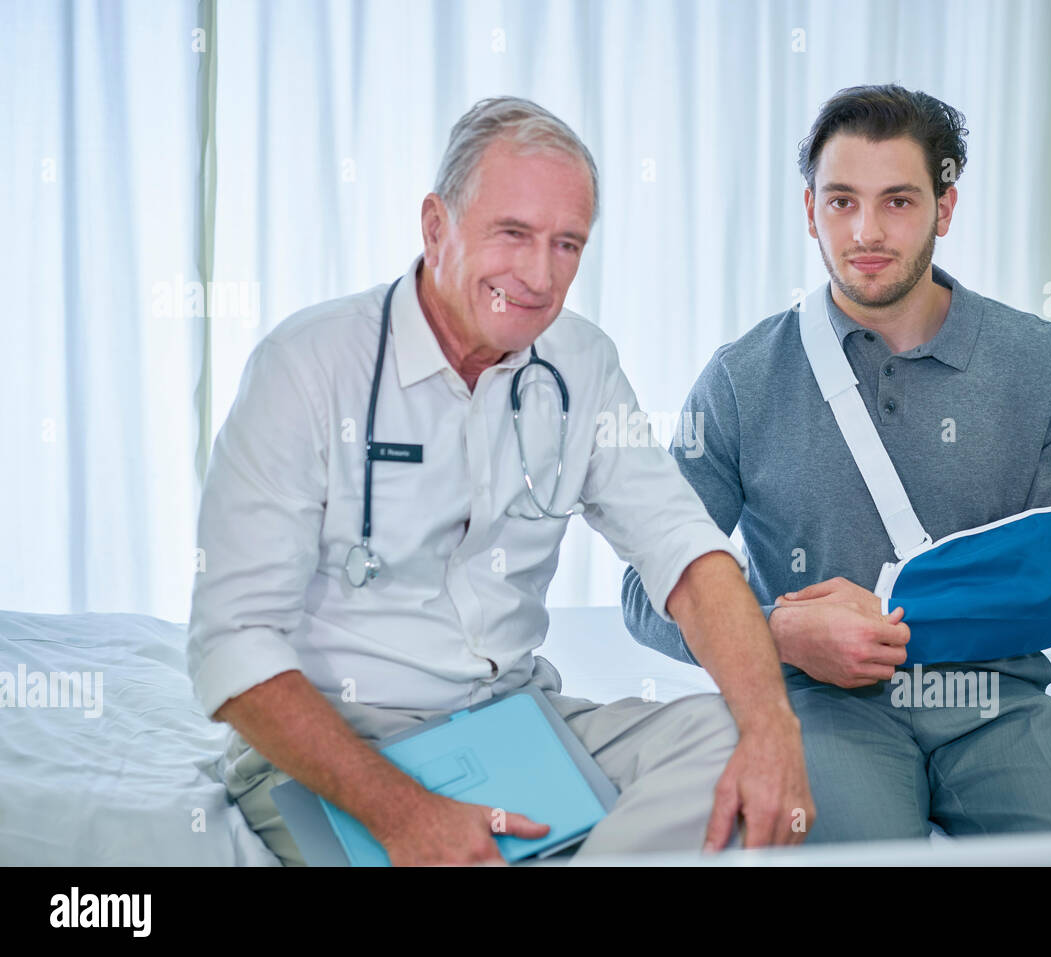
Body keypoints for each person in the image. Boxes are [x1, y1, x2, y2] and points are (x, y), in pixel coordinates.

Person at [187, 96, 812, 866]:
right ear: (435, 225)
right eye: (512, 233)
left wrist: (774, 722)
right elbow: (233, 643)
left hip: (513, 723)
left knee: (733, 742)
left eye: (567, 244)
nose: (539, 275)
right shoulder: (307, 367)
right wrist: (408, 813)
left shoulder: (581, 363)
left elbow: (686, 553)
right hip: (341, 741)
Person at [622, 84, 1051, 843]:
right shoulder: (742, 379)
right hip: (820, 706)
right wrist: (779, 636)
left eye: (897, 201)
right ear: (809, 213)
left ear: (945, 209)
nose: (865, 231)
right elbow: (643, 592)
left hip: (998, 701)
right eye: (840, 202)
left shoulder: (1045, 367)